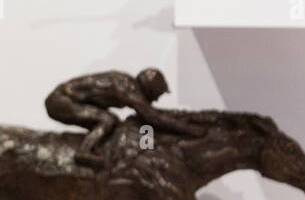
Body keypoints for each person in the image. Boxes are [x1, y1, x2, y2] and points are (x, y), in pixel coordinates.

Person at [44, 67, 203, 166]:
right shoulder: (128, 87)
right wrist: (189, 130)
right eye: (157, 95)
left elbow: (151, 115)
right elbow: (151, 117)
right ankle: (84, 152)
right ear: (150, 89)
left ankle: (95, 146)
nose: (156, 99)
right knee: (108, 119)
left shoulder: (128, 84)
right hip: (61, 101)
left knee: (111, 122)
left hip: (67, 101)